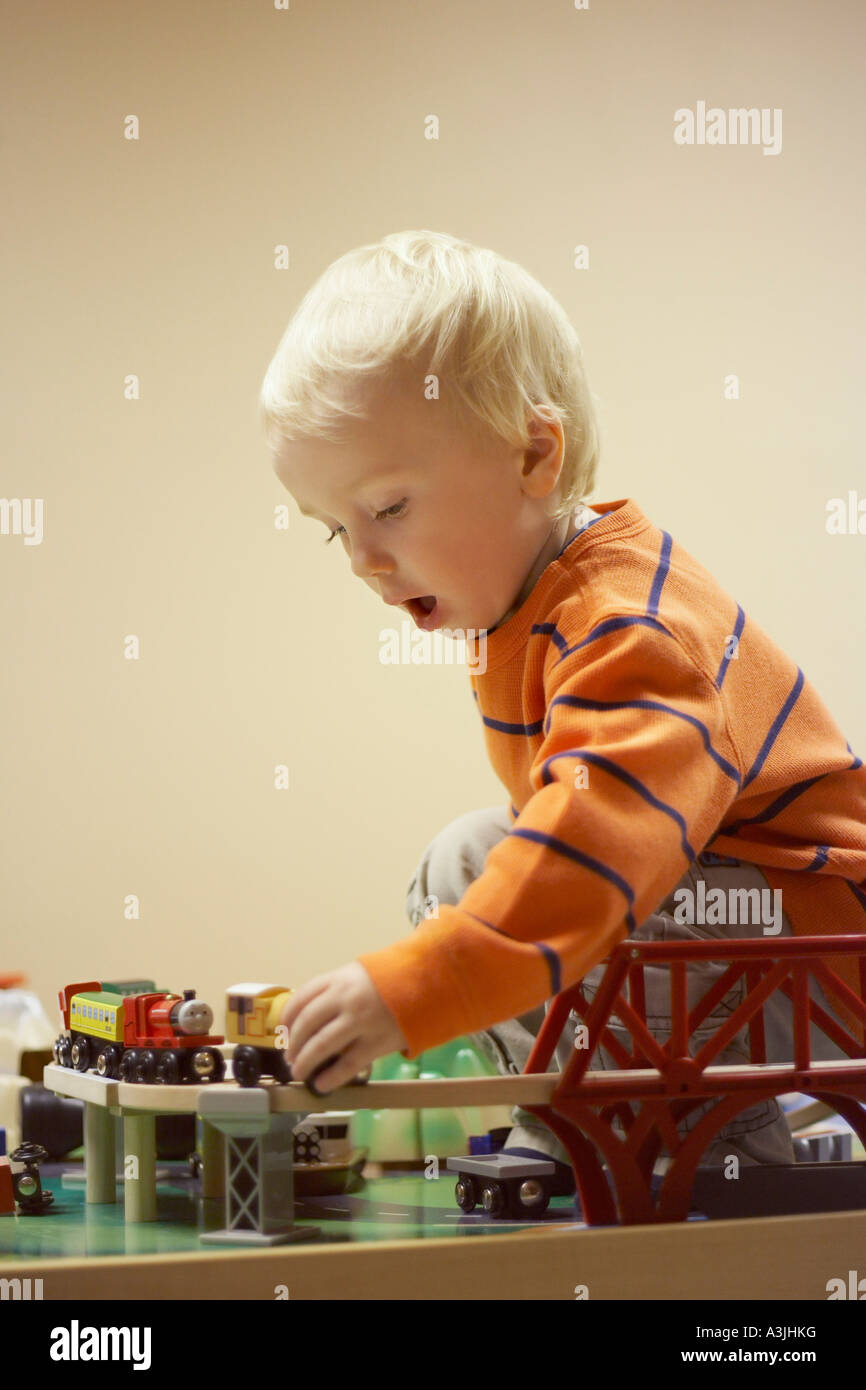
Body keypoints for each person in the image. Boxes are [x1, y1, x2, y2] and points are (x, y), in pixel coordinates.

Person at [259, 229, 866, 1174]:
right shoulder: (538, 601)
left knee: (507, 871)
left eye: (388, 508)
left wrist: (413, 990)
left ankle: (705, 1137)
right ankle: (601, 1110)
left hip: (819, 965)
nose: (364, 560)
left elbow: (597, 848)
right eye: (334, 528)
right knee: (466, 853)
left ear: (535, 456)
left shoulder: (629, 625)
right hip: (743, 935)